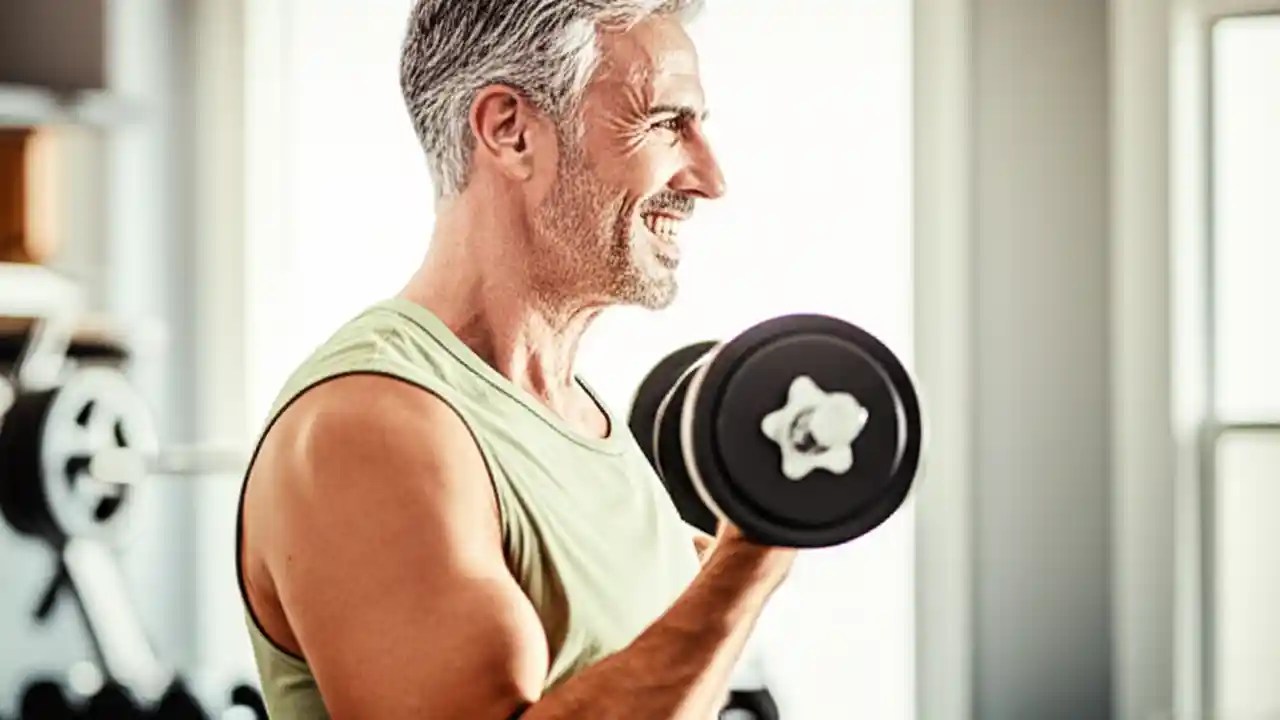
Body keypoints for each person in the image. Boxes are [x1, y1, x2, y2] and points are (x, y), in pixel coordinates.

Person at [235, 1, 794, 717]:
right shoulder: (371, 426)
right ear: (509, 130)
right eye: (665, 123)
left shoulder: (570, 414)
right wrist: (760, 549)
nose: (710, 178)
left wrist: (723, 560)